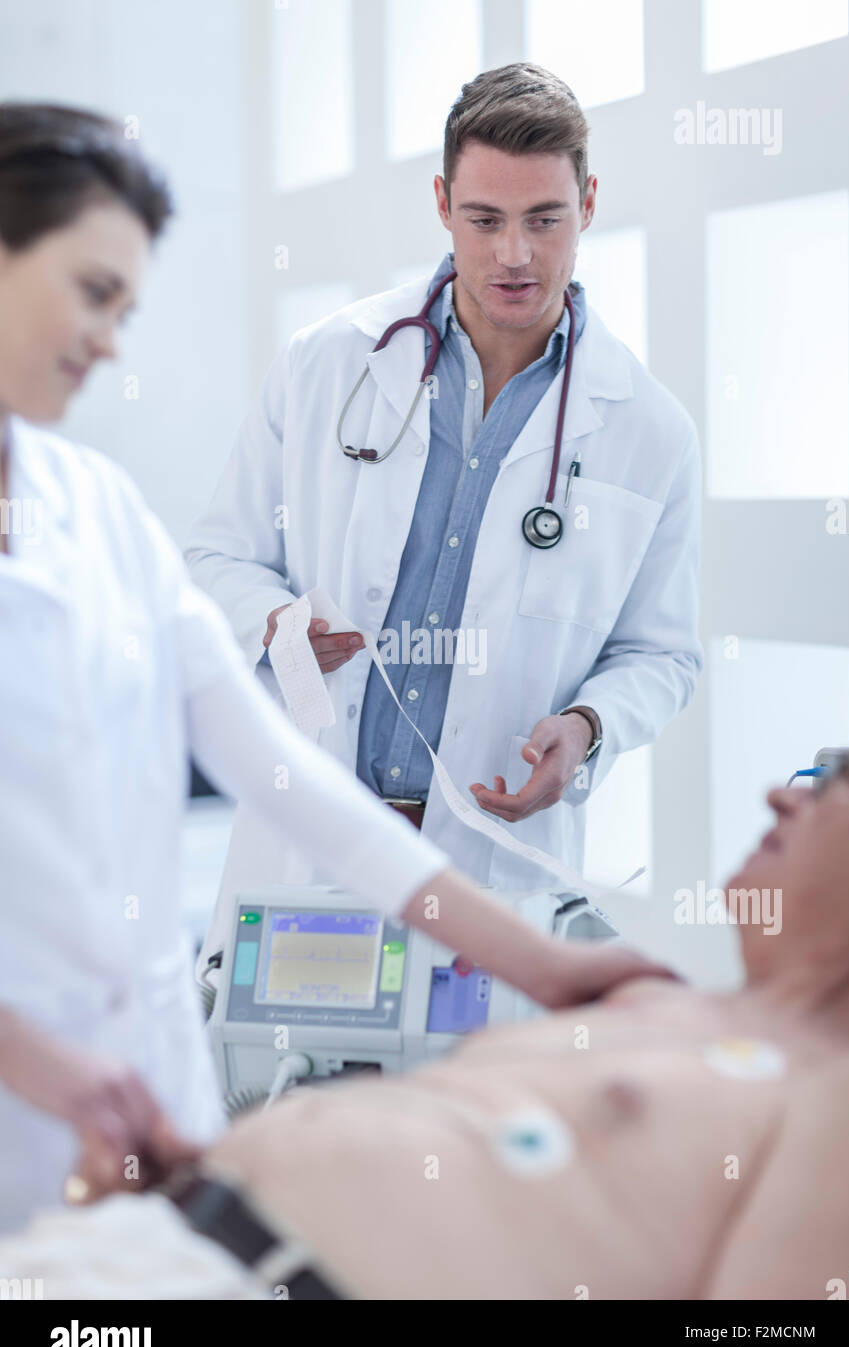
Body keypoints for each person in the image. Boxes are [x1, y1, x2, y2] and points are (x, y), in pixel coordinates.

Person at [0, 103, 666, 1235]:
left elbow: (290, 783)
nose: (113, 339)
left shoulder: (96, 506)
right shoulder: (331, 365)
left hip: (146, 1081)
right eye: (95, 293)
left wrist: (549, 964)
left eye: (128, 305)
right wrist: (37, 1059)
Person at [3, 751, 849, 1300]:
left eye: (843, 783)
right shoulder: (646, 997)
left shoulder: (841, 1097)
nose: (783, 797)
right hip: (143, 1245)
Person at [184, 62, 702, 945]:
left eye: (545, 219)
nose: (515, 254)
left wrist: (588, 726)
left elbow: (663, 654)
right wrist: (275, 622)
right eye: (485, 219)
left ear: (589, 202)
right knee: (287, 1084)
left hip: (490, 862)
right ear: (440, 202)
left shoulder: (649, 430)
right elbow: (215, 560)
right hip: (317, 835)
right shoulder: (327, 366)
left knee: (472, 1084)